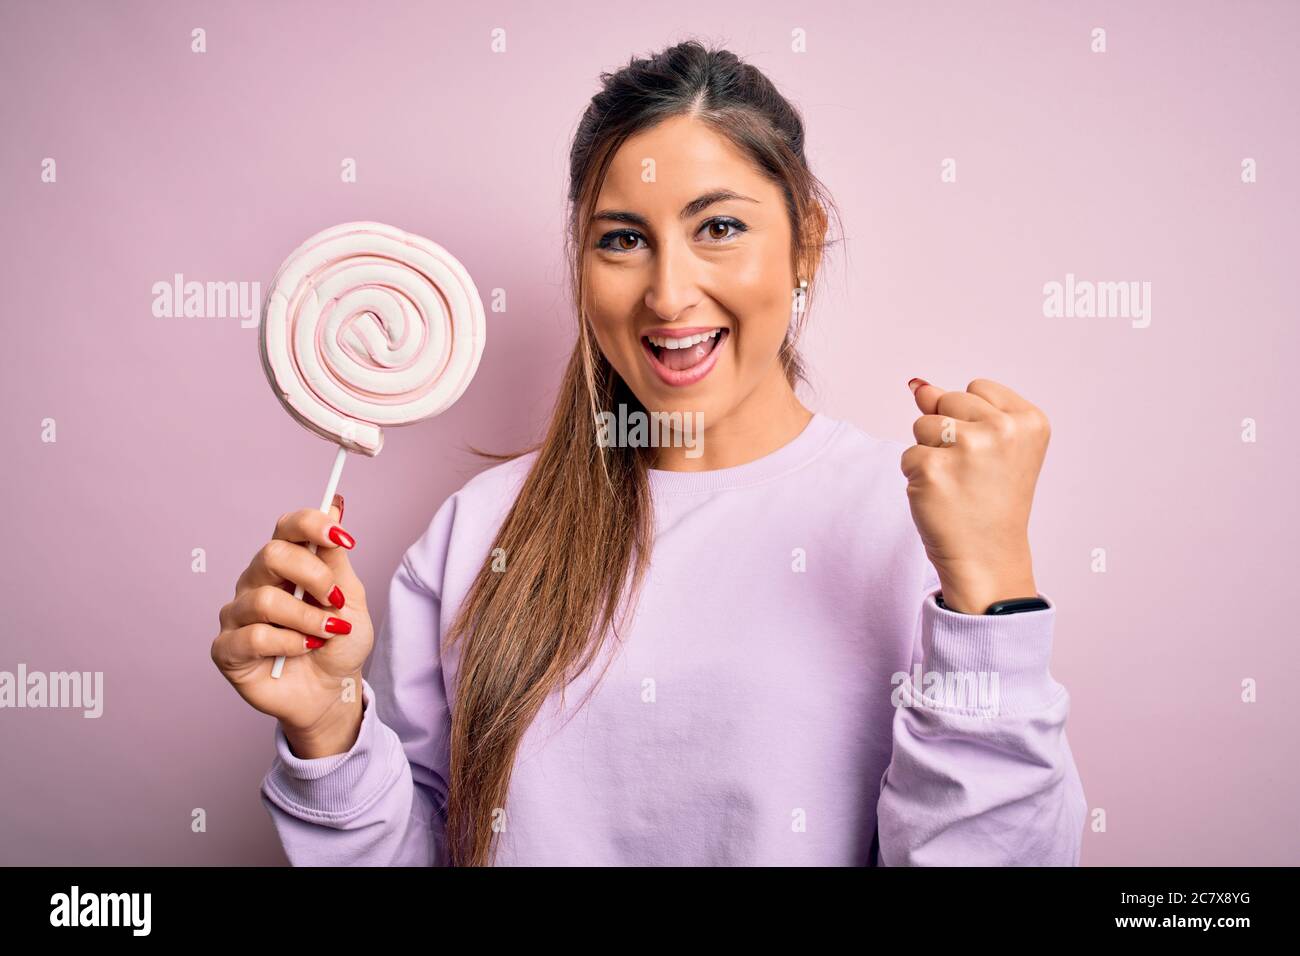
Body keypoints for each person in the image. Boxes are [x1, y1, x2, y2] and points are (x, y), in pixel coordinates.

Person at [212, 40, 1086, 866]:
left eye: (719, 228)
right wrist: (327, 729)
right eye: (622, 239)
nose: (669, 295)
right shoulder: (477, 531)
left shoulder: (917, 529)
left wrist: (992, 597)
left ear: (806, 241)